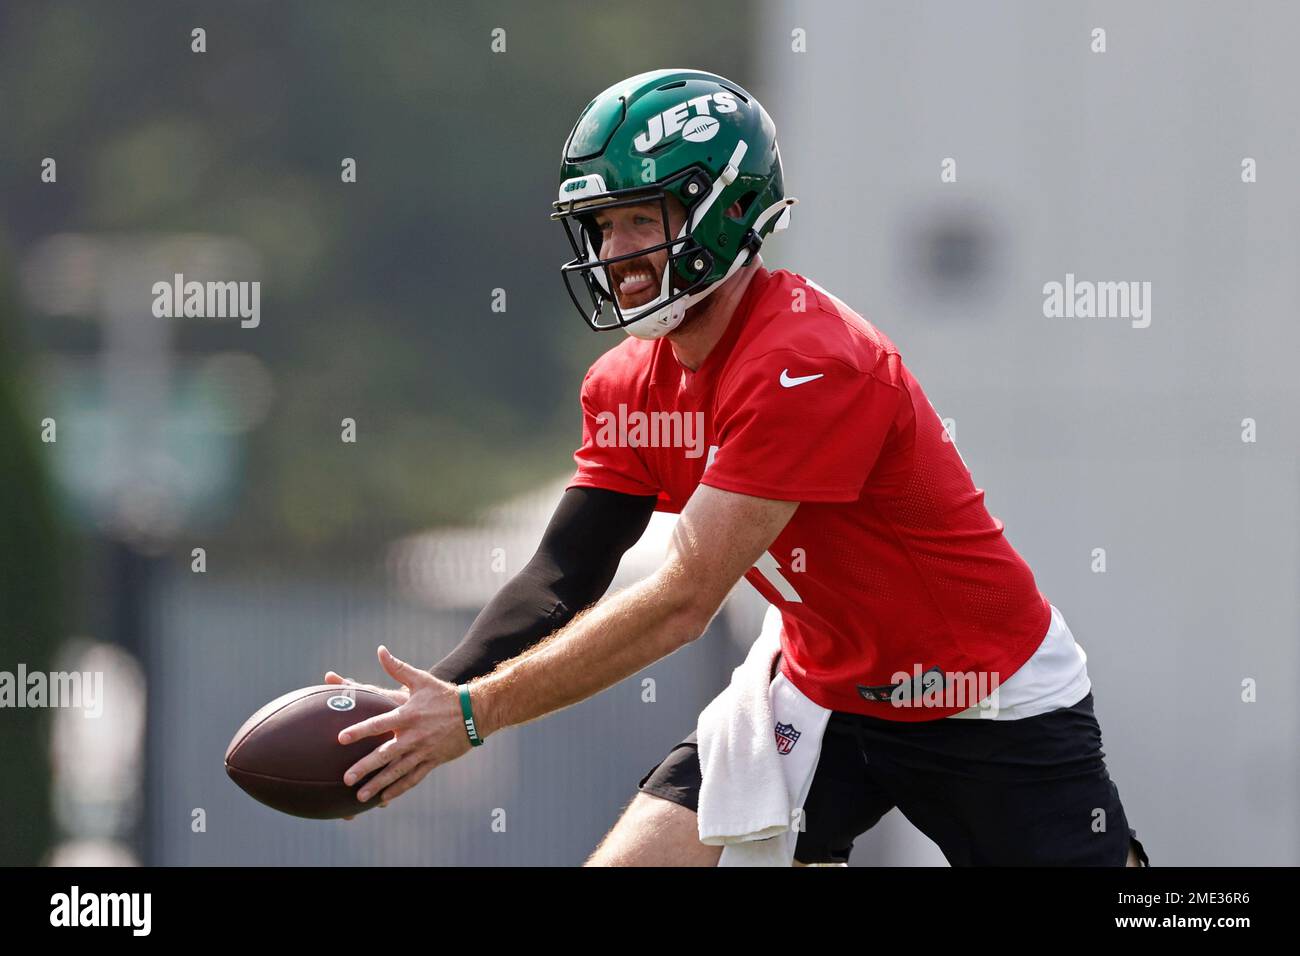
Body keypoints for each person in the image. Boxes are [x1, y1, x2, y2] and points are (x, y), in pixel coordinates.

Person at [325, 68, 1148, 867]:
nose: (615, 252)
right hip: (820, 685)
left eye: (640, 220)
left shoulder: (809, 362)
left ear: (722, 212)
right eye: (602, 227)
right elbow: (562, 574)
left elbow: (683, 601)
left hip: (978, 694)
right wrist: (428, 702)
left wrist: (476, 715)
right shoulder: (627, 382)